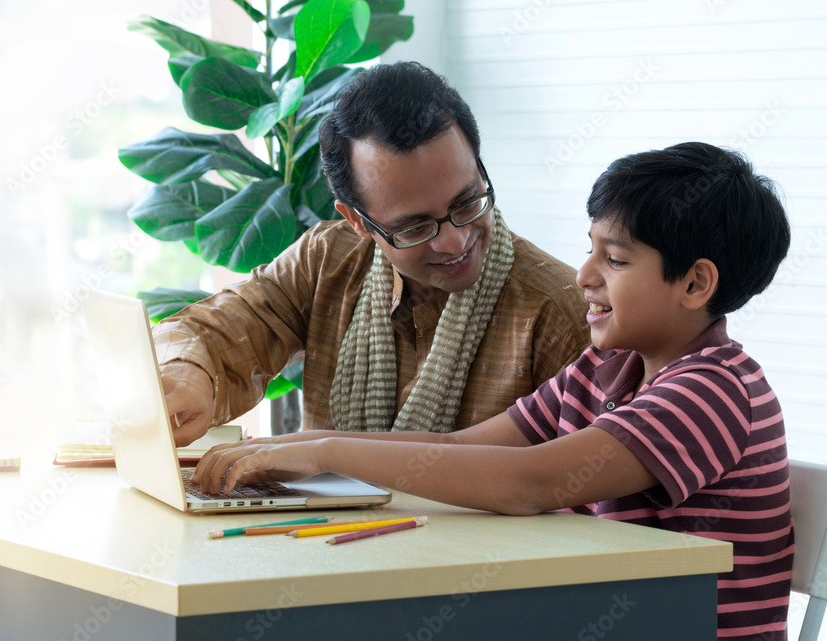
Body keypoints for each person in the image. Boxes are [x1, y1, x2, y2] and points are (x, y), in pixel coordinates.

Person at [192, 142, 794, 641]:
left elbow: (528, 482)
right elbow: (457, 446)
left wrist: (324, 455)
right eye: (591, 250)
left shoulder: (713, 391)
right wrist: (308, 443)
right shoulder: (605, 368)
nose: (583, 274)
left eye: (613, 261)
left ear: (695, 283)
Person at [154, 61, 589, 446]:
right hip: (329, 538)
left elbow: (592, 507)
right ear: (357, 221)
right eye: (415, 226)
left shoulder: (563, 310)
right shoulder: (327, 260)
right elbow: (219, 329)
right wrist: (190, 372)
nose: (455, 241)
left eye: (467, 202)